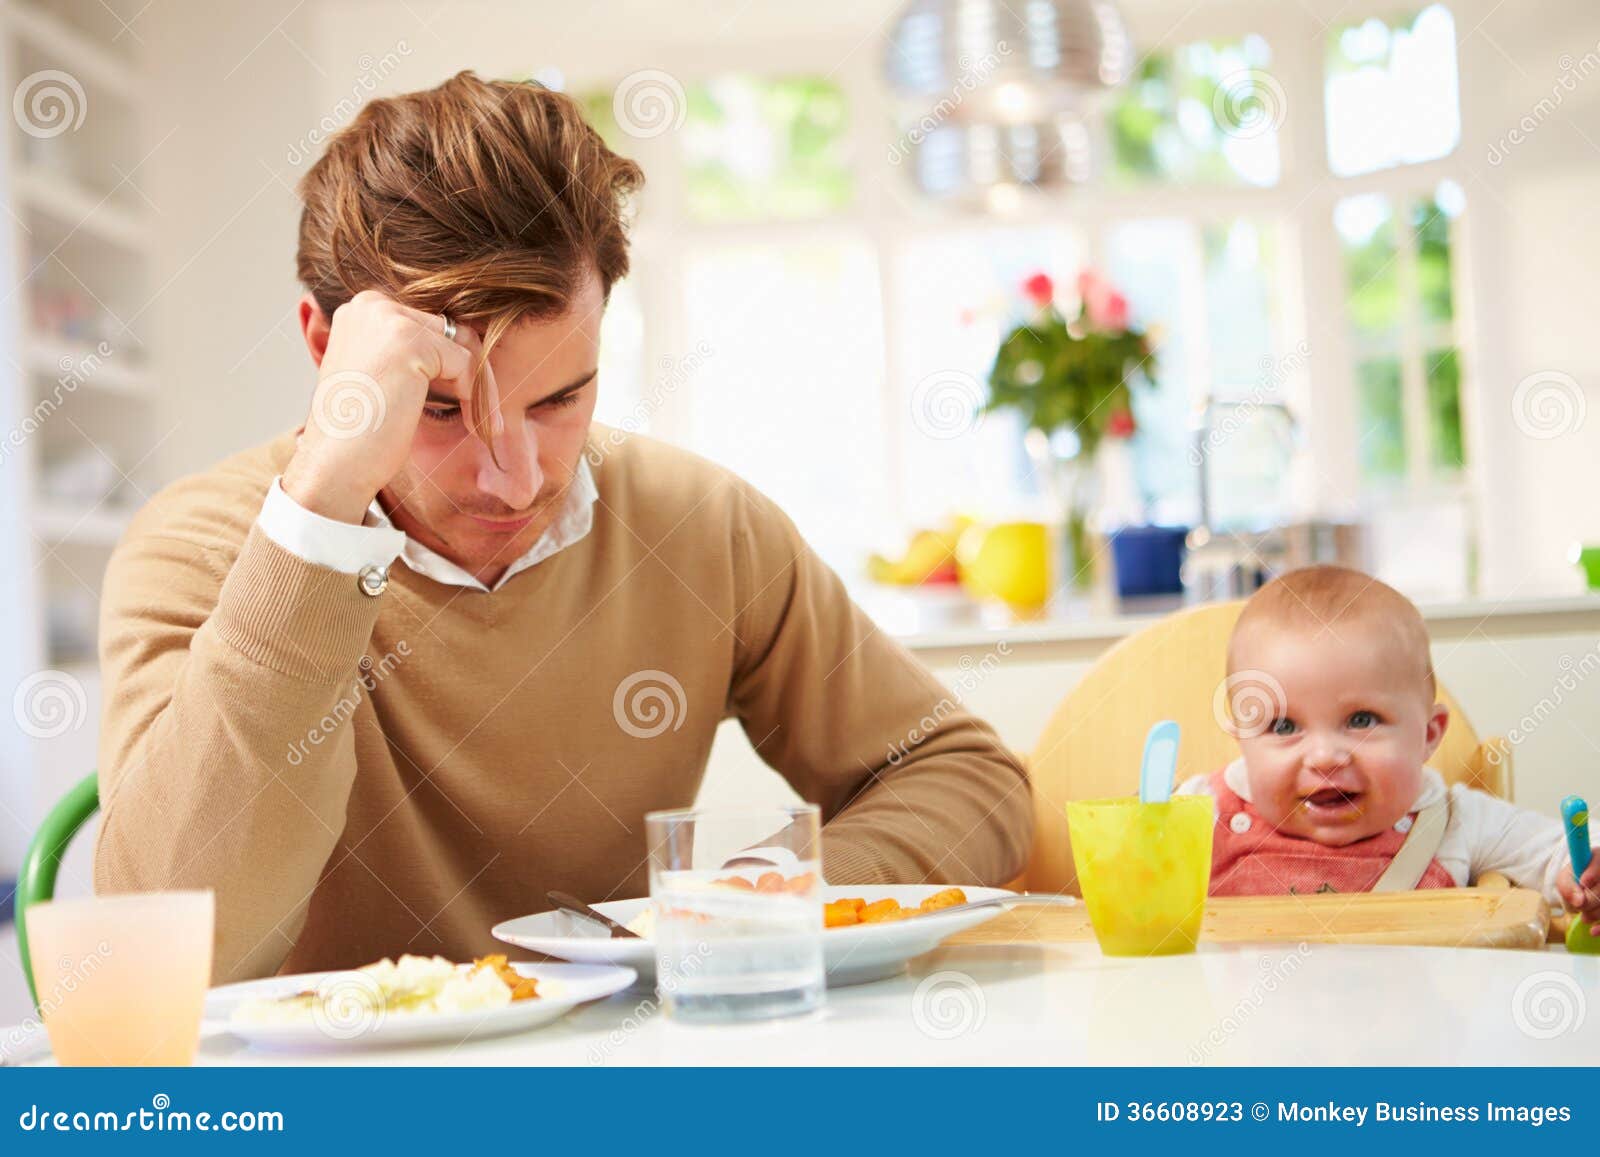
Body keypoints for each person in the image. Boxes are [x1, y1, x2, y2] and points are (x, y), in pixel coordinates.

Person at [94, 71, 1031, 982]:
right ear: (322, 347)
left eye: (560, 398)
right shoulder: (201, 551)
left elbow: (967, 777)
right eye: (442, 408)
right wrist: (319, 519)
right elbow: (169, 956)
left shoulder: (699, 525)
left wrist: (775, 895)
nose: (514, 478)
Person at [1178, 565, 1599, 929]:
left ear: (1429, 734)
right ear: (1243, 743)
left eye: (1361, 720)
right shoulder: (1201, 815)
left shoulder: (1454, 820)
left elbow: (1556, 848)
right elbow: (1120, 872)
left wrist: (1586, 871)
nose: (1325, 757)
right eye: (1284, 725)